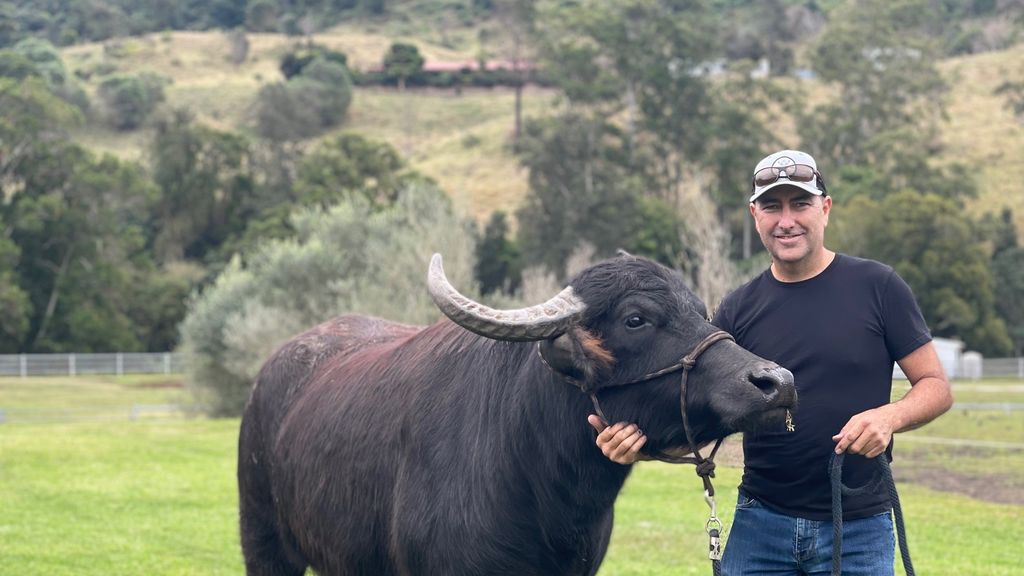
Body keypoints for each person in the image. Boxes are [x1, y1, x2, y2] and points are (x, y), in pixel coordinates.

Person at [588, 149, 953, 575]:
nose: (786, 221)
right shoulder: (736, 311)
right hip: (760, 525)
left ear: (826, 208)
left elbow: (936, 386)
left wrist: (890, 417)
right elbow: (698, 420)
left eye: (800, 204)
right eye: (771, 207)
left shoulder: (879, 287)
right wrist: (640, 447)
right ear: (754, 214)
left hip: (858, 526)